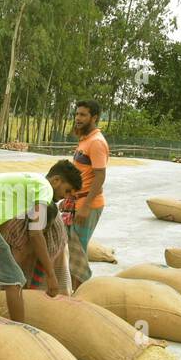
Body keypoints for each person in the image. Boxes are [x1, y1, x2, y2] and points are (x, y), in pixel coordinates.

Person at [0, 162, 82, 324]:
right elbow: (35, 233)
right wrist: (51, 276)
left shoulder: (27, 187)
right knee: (15, 280)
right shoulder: (44, 189)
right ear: (56, 180)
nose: (65, 197)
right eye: (67, 191)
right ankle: (21, 329)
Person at [64, 99, 109, 287]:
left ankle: (80, 292)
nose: (78, 118)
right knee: (72, 251)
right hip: (77, 202)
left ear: (94, 118)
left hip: (88, 205)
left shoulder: (97, 143)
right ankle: (75, 289)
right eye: (76, 114)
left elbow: (99, 177)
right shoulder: (85, 140)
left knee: (78, 254)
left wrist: (85, 206)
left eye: (83, 115)